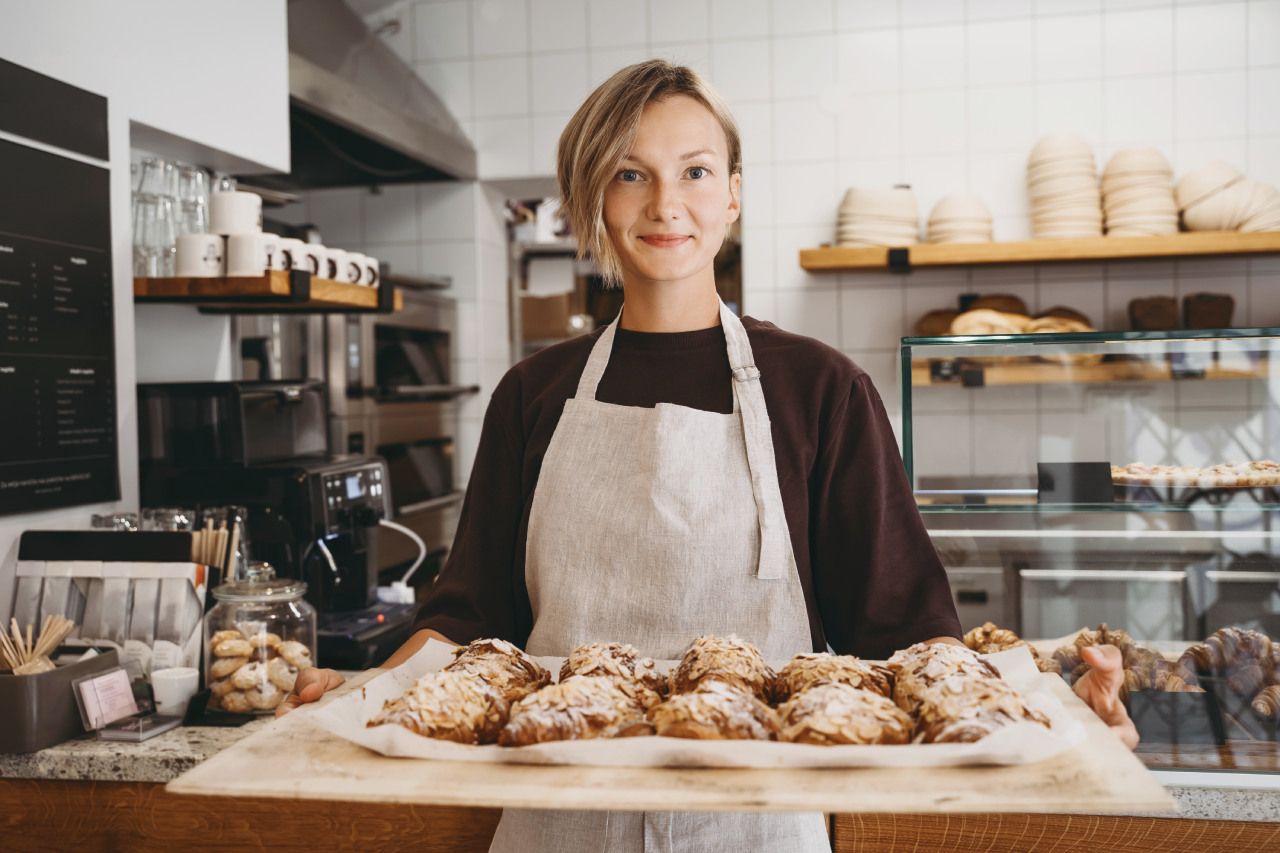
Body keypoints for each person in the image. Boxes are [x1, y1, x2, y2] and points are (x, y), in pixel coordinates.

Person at [279, 60, 1137, 851]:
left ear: (732, 195)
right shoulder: (533, 393)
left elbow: (907, 631)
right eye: (630, 173)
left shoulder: (821, 388)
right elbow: (467, 618)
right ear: (592, 199)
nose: (665, 204)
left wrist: (1060, 715)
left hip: (757, 825)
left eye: (694, 171)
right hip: (557, 819)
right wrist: (360, 694)